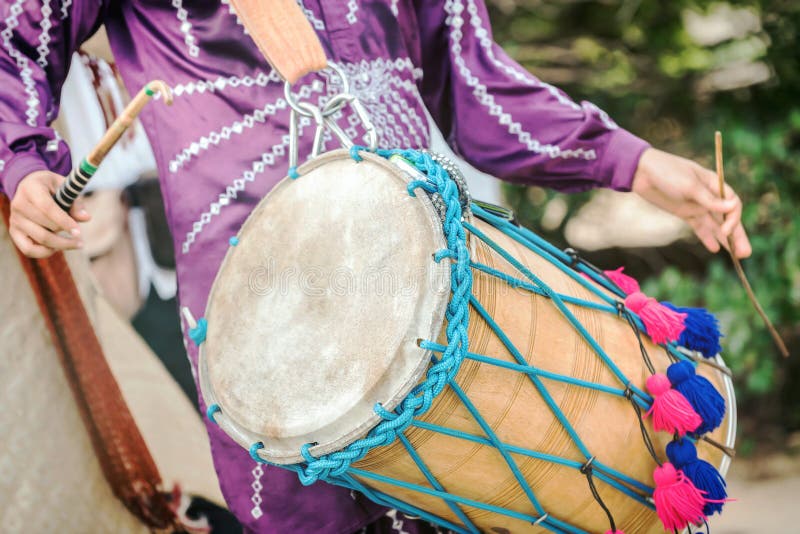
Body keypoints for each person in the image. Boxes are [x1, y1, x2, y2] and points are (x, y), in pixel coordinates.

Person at [0, 1, 751, 533]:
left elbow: (475, 85)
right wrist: (23, 163)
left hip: (439, 277)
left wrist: (638, 164)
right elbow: (17, 41)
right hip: (262, 307)